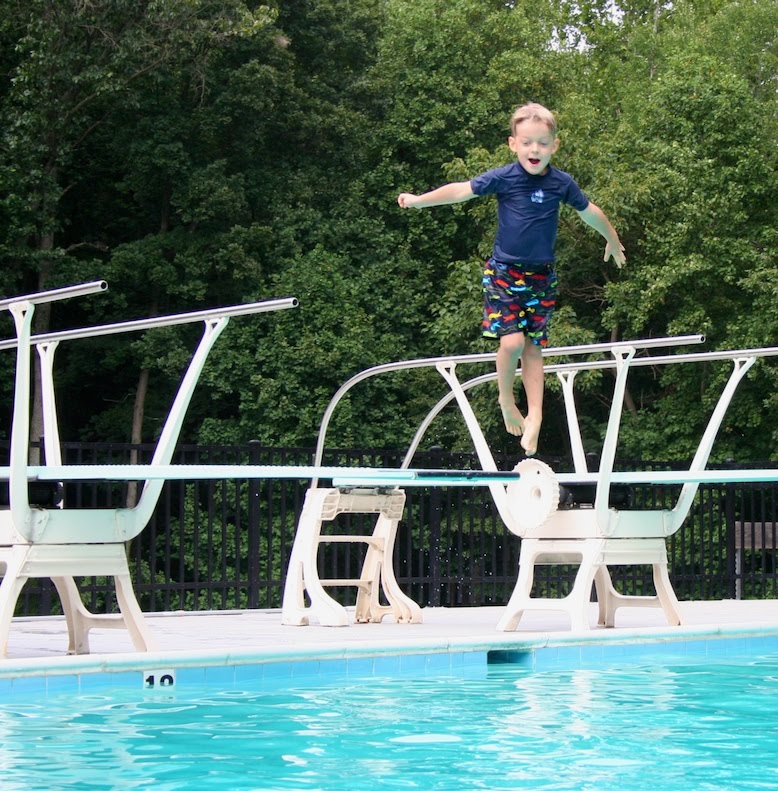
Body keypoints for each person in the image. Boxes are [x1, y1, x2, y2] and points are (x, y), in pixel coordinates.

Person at [397, 102, 625, 456]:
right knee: (513, 344)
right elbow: (459, 191)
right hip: (504, 273)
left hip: (541, 277)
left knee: (534, 348)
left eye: (543, 143)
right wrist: (417, 201)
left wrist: (611, 238)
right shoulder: (504, 178)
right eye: (527, 142)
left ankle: (535, 416)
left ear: (555, 146)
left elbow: (589, 211)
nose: (535, 150)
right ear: (513, 144)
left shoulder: (561, 183)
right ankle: (506, 398)